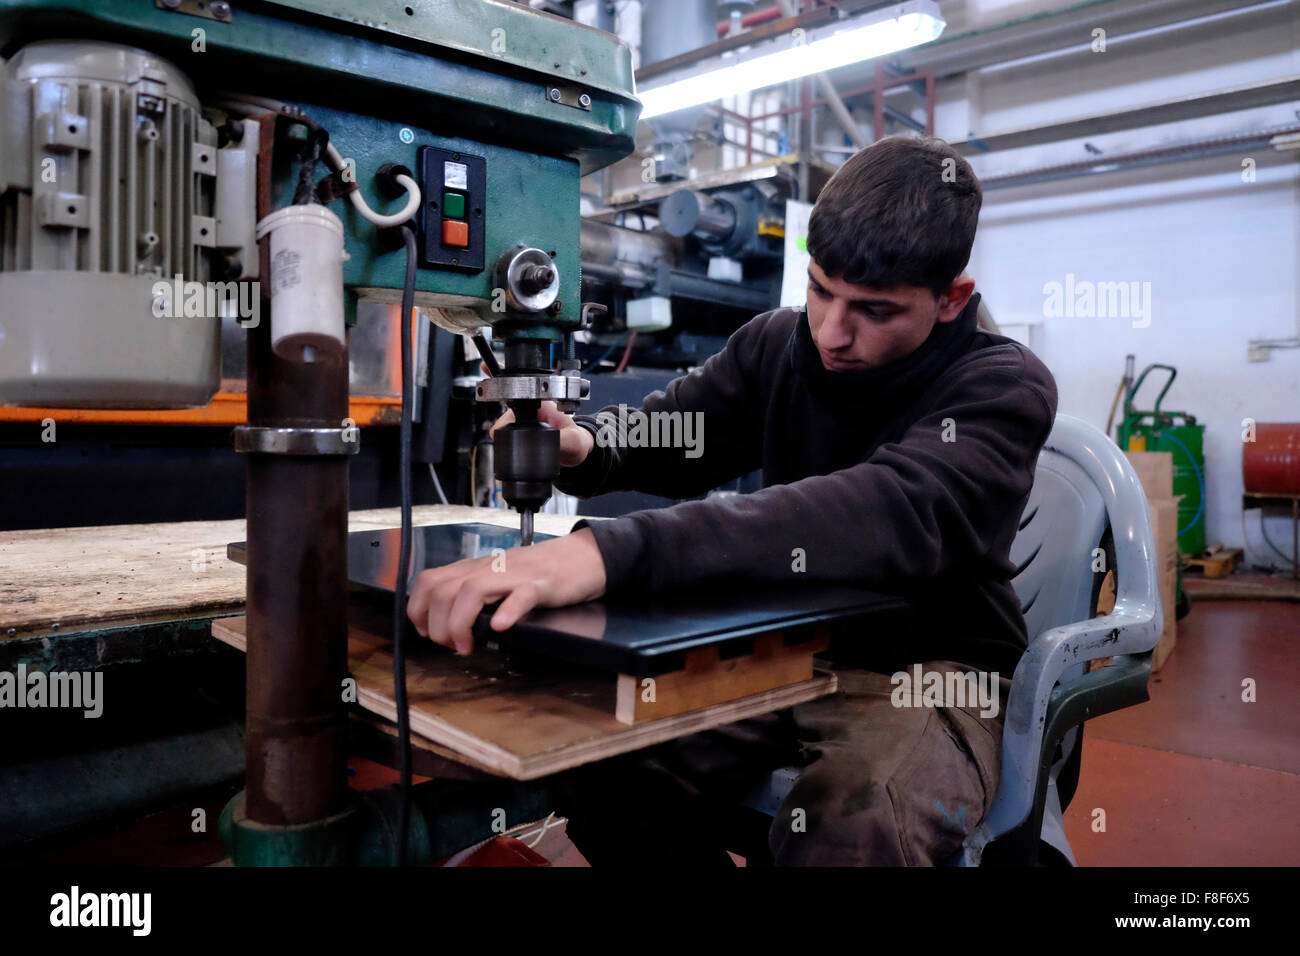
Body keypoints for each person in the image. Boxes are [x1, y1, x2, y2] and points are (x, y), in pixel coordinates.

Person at [406, 135, 1058, 865]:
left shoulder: (1003, 386)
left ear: (951, 299)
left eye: (874, 310)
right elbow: (681, 430)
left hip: (931, 669)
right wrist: (588, 444)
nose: (832, 332)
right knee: (600, 756)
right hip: (781, 646)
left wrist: (610, 553)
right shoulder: (779, 346)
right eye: (820, 289)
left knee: (857, 816)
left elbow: (886, 510)